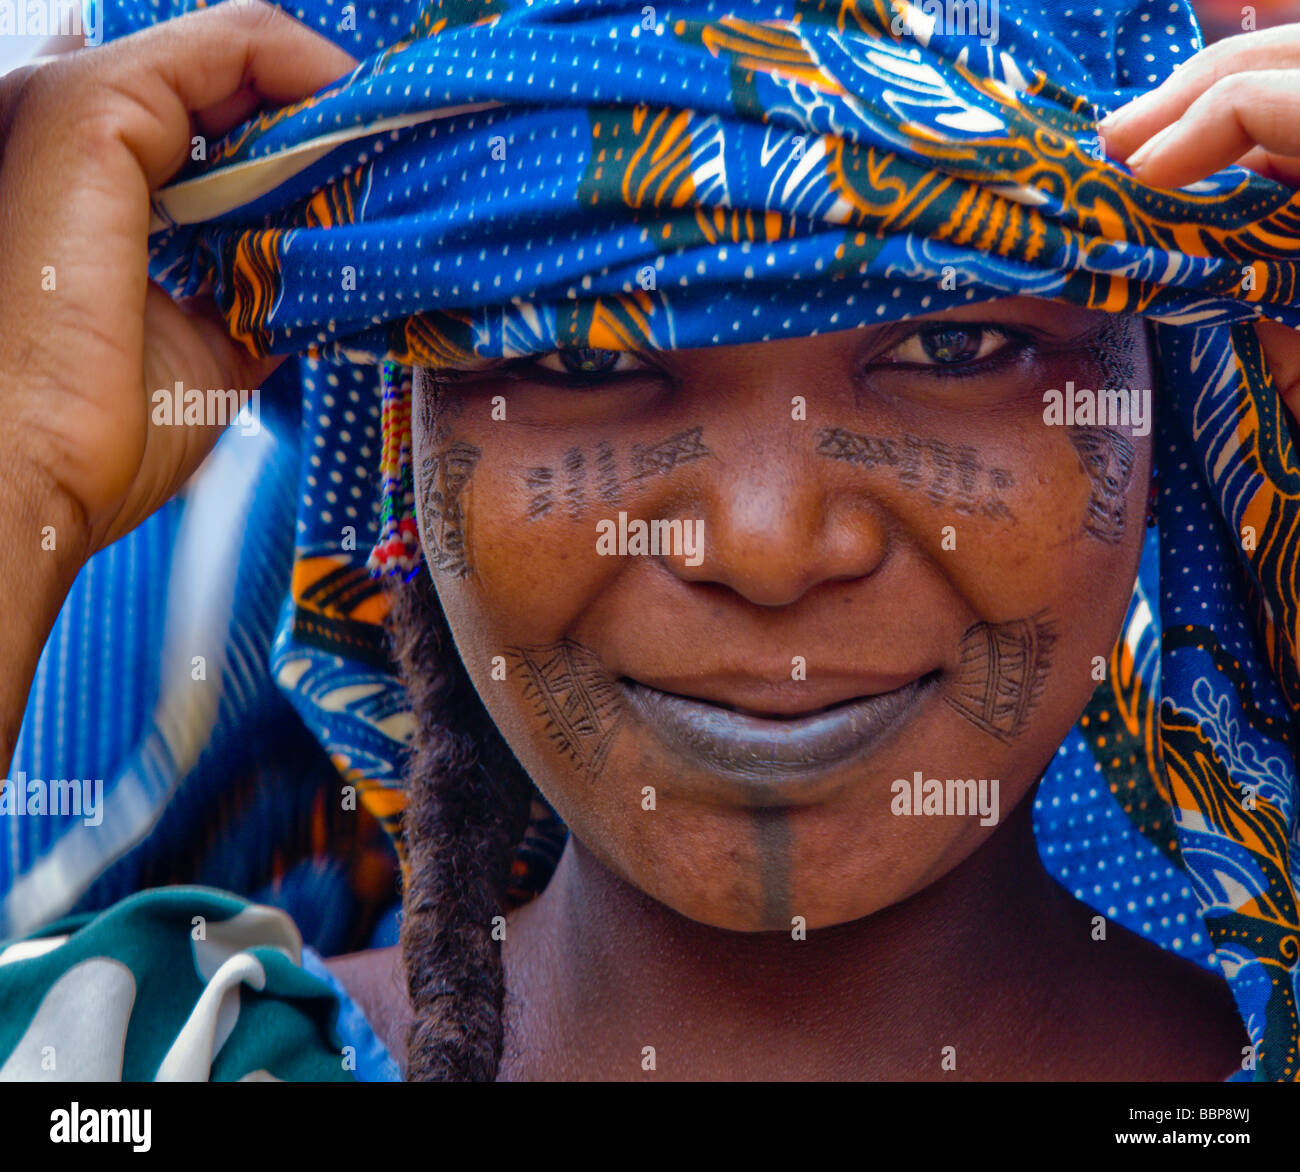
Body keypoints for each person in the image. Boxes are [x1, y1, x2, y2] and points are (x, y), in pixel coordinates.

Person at [0, 0, 1297, 1082]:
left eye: (952, 345)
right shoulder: (122, 1054)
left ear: (1168, 404)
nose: (769, 545)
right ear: (407, 434)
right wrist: (26, 483)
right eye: (580, 352)